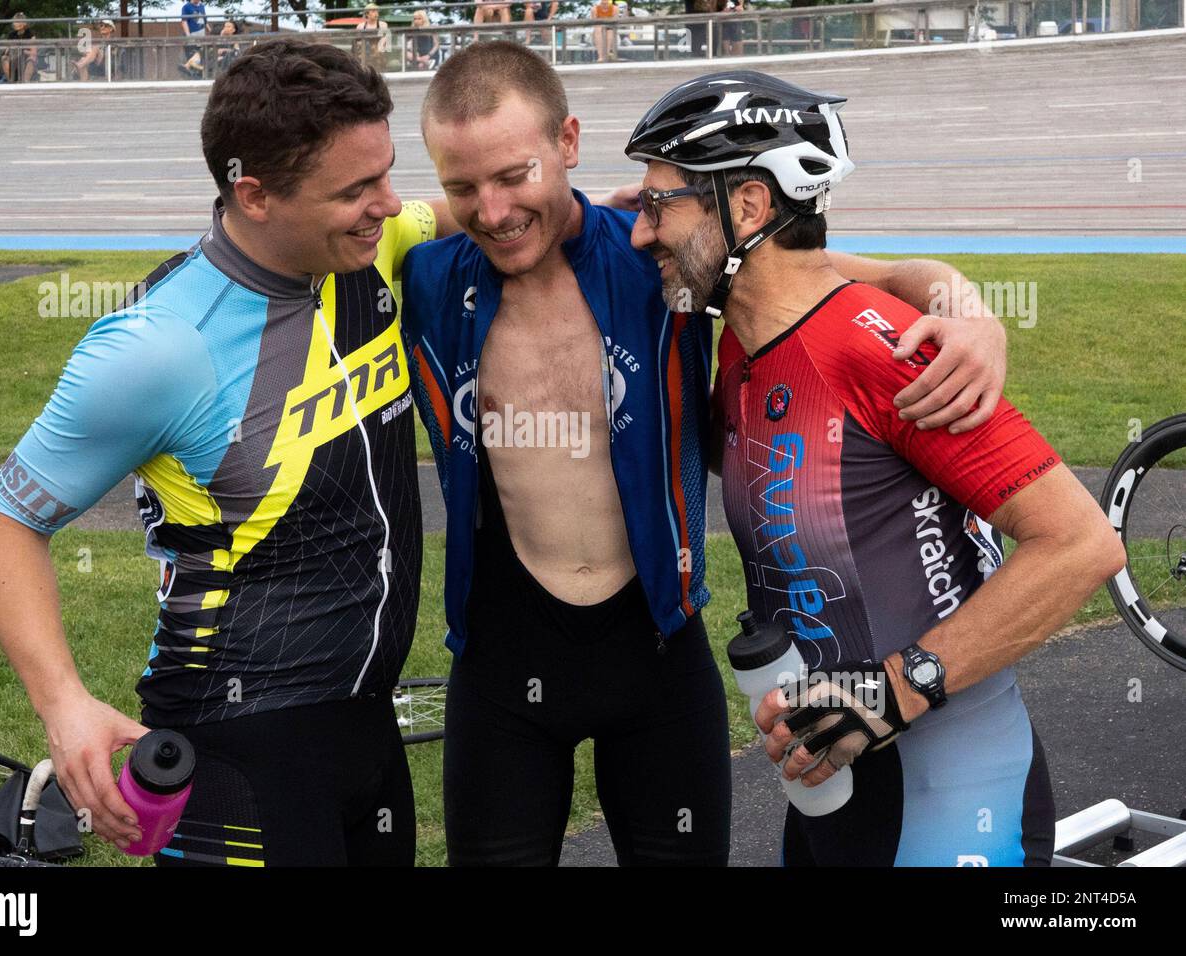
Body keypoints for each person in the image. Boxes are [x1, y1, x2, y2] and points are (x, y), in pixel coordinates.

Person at [400, 41, 1009, 866]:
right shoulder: (428, 279)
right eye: (462, 185)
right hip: (502, 666)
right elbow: (333, 219)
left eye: (516, 175)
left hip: (656, 653)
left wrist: (968, 307)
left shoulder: (661, 257)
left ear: (568, 145)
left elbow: (844, 272)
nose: (494, 208)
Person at [0, 38, 464, 867]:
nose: (388, 203)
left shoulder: (364, 246)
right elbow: (3, 524)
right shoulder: (159, 347)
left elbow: (461, 214)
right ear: (256, 194)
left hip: (366, 725)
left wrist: (599, 210)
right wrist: (63, 703)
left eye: (386, 172)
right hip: (239, 746)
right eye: (356, 189)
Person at [626, 71, 1125, 865]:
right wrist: (946, 284)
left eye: (658, 206)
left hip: (953, 779)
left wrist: (895, 688)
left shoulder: (882, 349)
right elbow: (847, 270)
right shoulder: (741, 336)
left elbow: (1082, 544)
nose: (640, 233)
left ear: (749, 207)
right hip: (832, 771)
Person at [0, 13, 38, 84]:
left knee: (31, 58)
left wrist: (22, 51)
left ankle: (25, 82)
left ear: (23, 23)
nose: (14, 24)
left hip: (25, 59)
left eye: (17, 21)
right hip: (14, 59)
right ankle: (11, 81)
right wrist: (10, 50)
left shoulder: (30, 35)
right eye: (14, 21)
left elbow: (34, 53)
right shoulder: (11, 35)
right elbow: (6, 51)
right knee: (4, 58)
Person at [356, 3, 391, 67]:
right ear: (367, 14)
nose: (376, 13)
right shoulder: (360, 26)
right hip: (365, 52)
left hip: (379, 52)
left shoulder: (383, 25)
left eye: (377, 11)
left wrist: (377, 50)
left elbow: (385, 40)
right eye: (373, 11)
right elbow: (358, 42)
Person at [180, 0, 208, 76]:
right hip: (192, 34)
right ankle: (191, 71)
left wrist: (209, 30)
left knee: (201, 54)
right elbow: (184, 21)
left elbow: (205, 21)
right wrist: (188, 34)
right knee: (192, 54)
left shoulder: (202, 6)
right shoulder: (186, 7)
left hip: (201, 35)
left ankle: (196, 70)